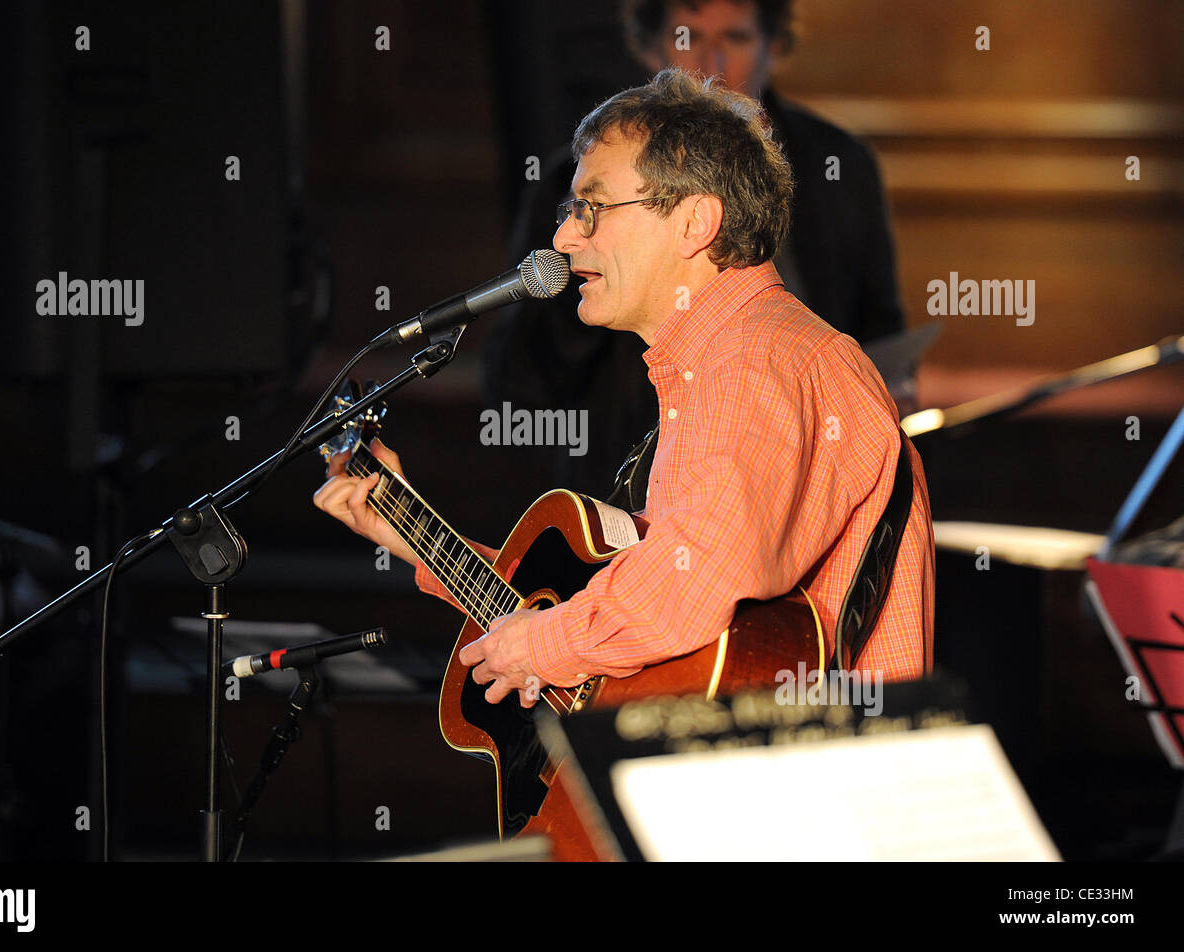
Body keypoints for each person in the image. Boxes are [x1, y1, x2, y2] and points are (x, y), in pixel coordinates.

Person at [314, 69, 933, 708]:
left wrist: (540, 647)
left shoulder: (754, 362)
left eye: (593, 207)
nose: (562, 238)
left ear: (695, 222)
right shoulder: (724, 363)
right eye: (567, 210)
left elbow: (687, 589)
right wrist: (404, 524)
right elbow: (625, 594)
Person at [486, 0, 910, 500]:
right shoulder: (573, 180)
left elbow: (879, 321)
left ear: (773, 46)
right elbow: (518, 378)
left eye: (735, 39)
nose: (711, 62)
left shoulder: (841, 165)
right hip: (619, 494)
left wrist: (879, 396)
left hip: (807, 462)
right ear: (649, 48)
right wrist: (597, 270)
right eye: (688, 38)